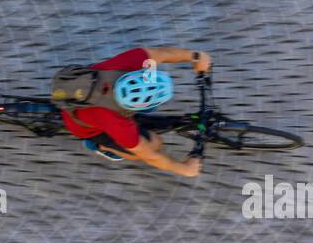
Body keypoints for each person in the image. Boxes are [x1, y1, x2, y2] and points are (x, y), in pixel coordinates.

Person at [51, 46, 212, 178]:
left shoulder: (128, 63)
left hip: (86, 95)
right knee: (154, 144)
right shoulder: (116, 122)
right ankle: (99, 146)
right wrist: (183, 169)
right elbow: (150, 156)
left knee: (144, 135)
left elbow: (161, 53)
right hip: (83, 126)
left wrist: (196, 56)